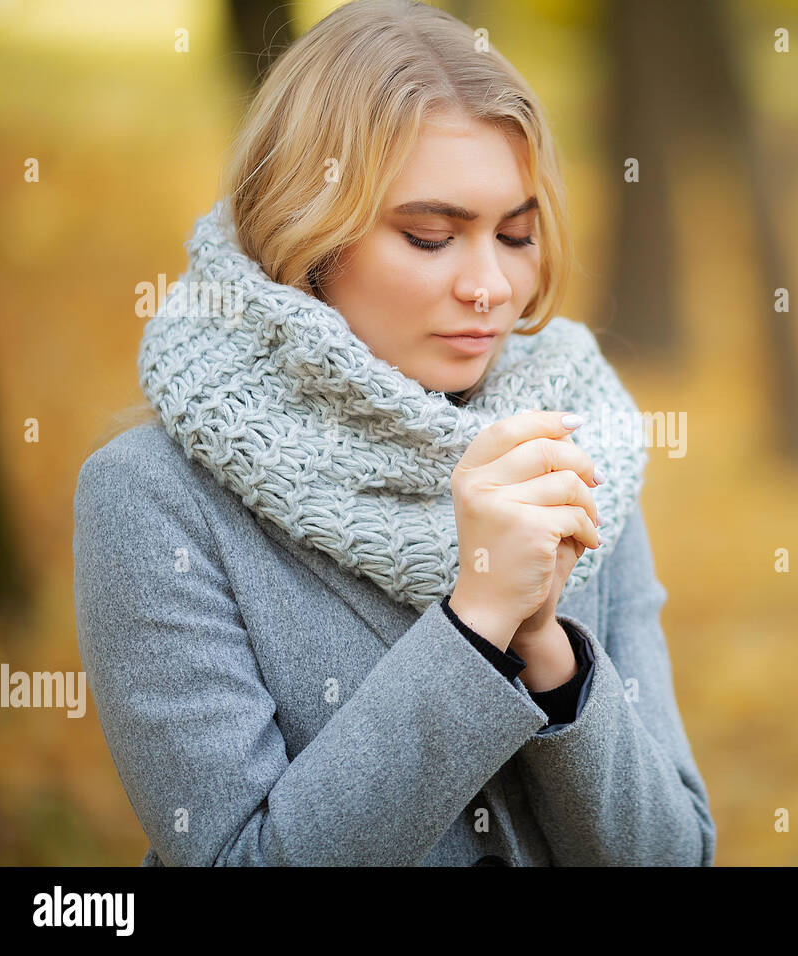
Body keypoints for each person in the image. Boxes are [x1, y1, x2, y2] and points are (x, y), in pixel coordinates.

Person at [71, 0, 714, 866]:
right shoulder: (151, 501)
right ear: (308, 236)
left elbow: (677, 855)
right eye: (431, 236)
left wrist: (546, 651)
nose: (490, 285)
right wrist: (477, 619)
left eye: (517, 234)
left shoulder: (577, 444)